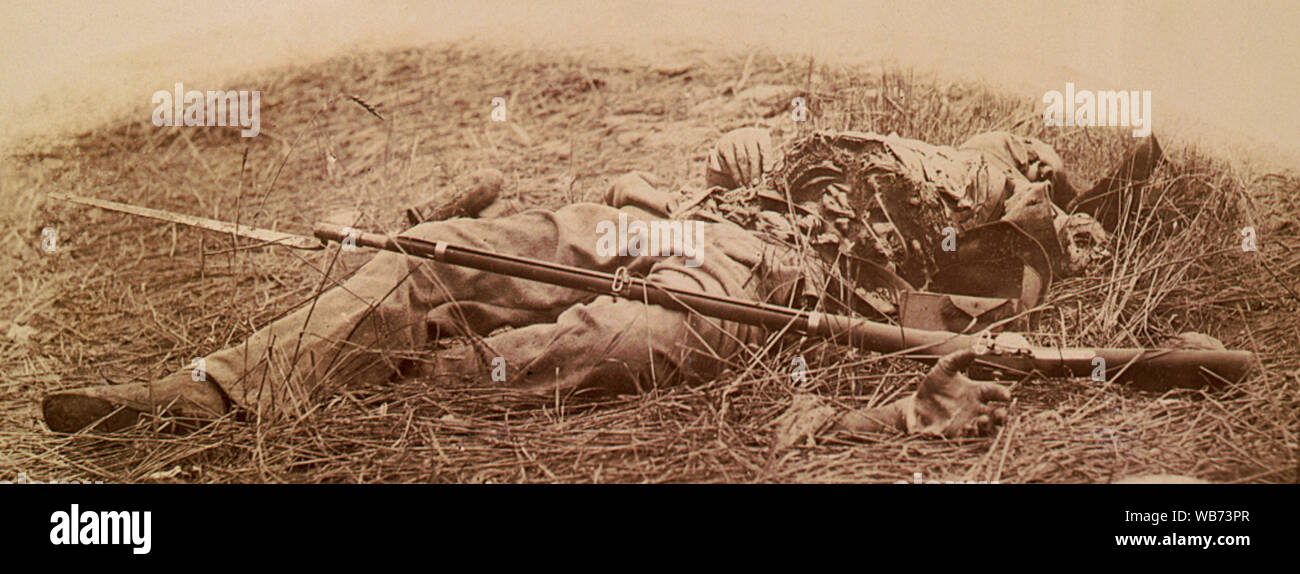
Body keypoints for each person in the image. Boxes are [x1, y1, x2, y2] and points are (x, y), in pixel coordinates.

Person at [41, 127, 1160, 438]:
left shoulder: (1018, 256)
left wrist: (1044, 233)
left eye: (1051, 179)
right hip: (687, 224)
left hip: (776, 284)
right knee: (444, 259)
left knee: (598, 346)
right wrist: (739, 164)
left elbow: (926, 325)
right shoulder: (901, 149)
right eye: (1028, 159)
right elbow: (730, 157)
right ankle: (212, 392)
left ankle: (399, 376)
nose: (1030, 169)